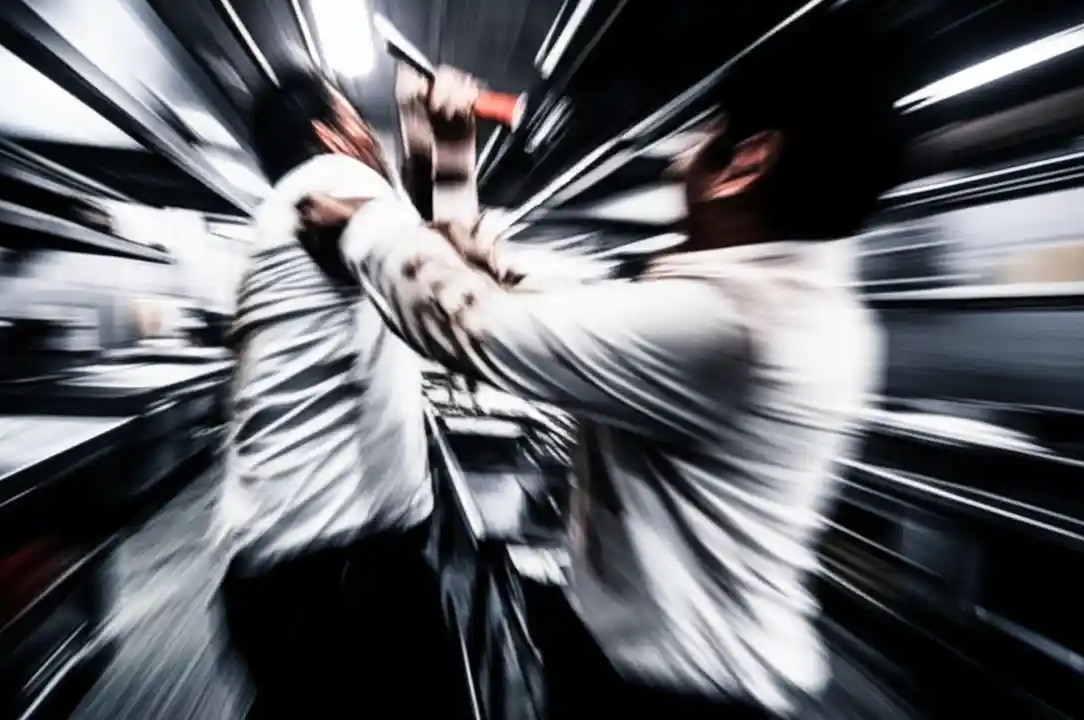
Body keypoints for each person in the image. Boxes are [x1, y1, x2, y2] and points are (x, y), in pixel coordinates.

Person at [297, 6, 900, 718]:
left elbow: (477, 325)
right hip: (689, 675)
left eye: (703, 133)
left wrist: (367, 227)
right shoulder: (793, 301)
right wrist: (452, 158)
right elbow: (536, 295)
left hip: (665, 694)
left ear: (745, 163)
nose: (683, 156)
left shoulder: (733, 327)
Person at [214, 68, 463, 720]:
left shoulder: (278, 211)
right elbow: (452, 293)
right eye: (361, 119)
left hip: (279, 572)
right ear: (333, 134)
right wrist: (449, 145)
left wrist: (420, 147)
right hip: (344, 580)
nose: (370, 136)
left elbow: (400, 256)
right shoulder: (339, 182)